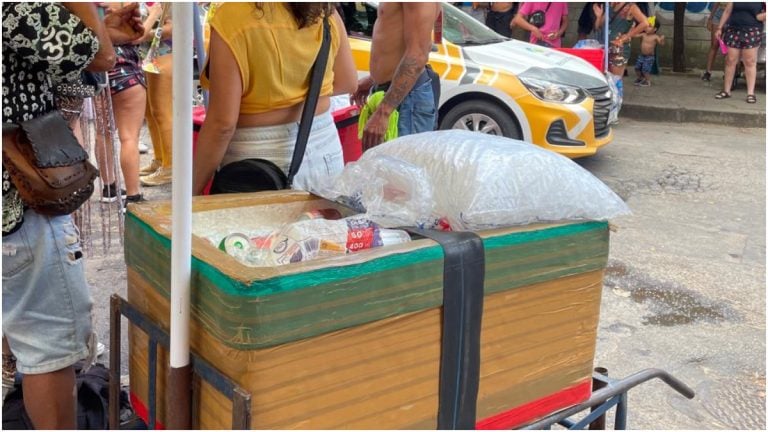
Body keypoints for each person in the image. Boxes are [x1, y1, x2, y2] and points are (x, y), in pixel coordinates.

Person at [2, 3, 142, 428]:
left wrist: (101, 30)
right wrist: (89, 17)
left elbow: (73, 81)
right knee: (49, 346)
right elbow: (98, 61)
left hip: (22, 199)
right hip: (20, 202)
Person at [192, 2, 357, 196]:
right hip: (325, 149)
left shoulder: (233, 17)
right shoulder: (324, 11)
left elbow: (222, 124)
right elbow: (348, 82)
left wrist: (190, 191)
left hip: (258, 159)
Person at [352, 2, 441, 151]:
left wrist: (383, 112)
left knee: (401, 171)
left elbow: (418, 54)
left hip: (407, 102)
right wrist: (375, 78)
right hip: (397, 96)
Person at [139, 2, 175, 186]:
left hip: (166, 55)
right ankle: (161, 160)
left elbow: (173, 28)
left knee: (162, 112)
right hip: (151, 56)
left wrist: (144, 35)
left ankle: (170, 166)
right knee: (151, 112)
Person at [714, 2, 766, 104]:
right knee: (730, 60)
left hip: (752, 31)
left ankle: (750, 93)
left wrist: (763, 15)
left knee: (750, 62)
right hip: (733, 30)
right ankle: (726, 91)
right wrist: (720, 28)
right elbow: (727, 11)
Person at [593, 2, 649, 78]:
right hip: (604, 47)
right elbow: (598, 27)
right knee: (604, 79)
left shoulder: (630, 6)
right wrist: (599, 17)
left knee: (615, 80)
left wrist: (626, 37)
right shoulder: (609, 6)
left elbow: (645, 23)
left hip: (618, 50)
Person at [633, 20, 664, 87]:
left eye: (649, 27)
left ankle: (647, 81)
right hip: (641, 55)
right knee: (637, 68)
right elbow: (635, 35)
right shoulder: (644, 35)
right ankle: (640, 78)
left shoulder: (655, 37)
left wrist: (662, 39)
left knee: (645, 70)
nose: (646, 28)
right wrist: (633, 28)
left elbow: (661, 44)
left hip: (649, 57)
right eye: (646, 26)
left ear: (655, 29)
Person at [703, 2, 729, 82]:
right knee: (714, 44)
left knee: (728, 47)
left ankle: (728, 73)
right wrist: (710, 18)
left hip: (731, 15)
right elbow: (716, 3)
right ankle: (708, 72)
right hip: (719, 14)